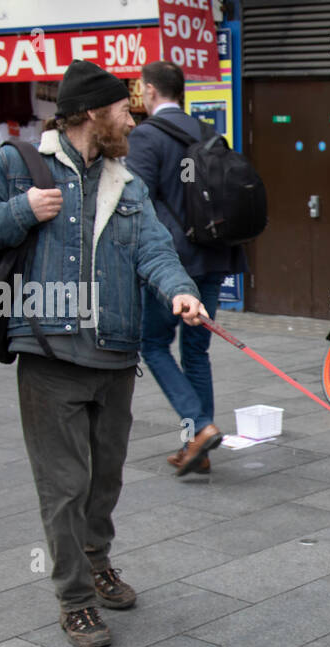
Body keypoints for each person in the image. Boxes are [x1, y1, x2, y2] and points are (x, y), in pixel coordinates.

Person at [0, 60, 207, 647]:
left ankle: (96, 559)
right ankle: (74, 598)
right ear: (91, 112)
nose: (131, 115)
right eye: (122, 107)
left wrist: (182, 293)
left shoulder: (127, 182)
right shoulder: (18, 166)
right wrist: (21, 211)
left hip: (115, 355)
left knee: (105, 482)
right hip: (48, 354)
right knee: (64, 486)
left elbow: (155, 252)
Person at [127, 60, 247, 477]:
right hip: (214, 257)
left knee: (154, 344)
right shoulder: (209, 132)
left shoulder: (146, 136)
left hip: (172, 262)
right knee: (197, 351)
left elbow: (135, 201)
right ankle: (200, 443)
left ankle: (199, 428)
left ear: (148, 90)